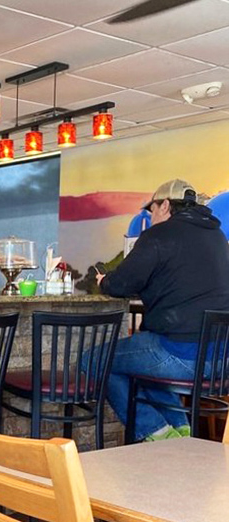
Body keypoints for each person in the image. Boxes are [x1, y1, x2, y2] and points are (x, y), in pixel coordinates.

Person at [97, 179, 229, 441]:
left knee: (96, 360)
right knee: (143, 364)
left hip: (182, 357)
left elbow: (122, 282)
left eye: (152, 210)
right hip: (221, 362)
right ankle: (180, 428)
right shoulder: (218, 237)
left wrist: (104, 282)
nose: (150, 216)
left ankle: (154, 431)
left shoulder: (158, 235)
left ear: (166, 205)